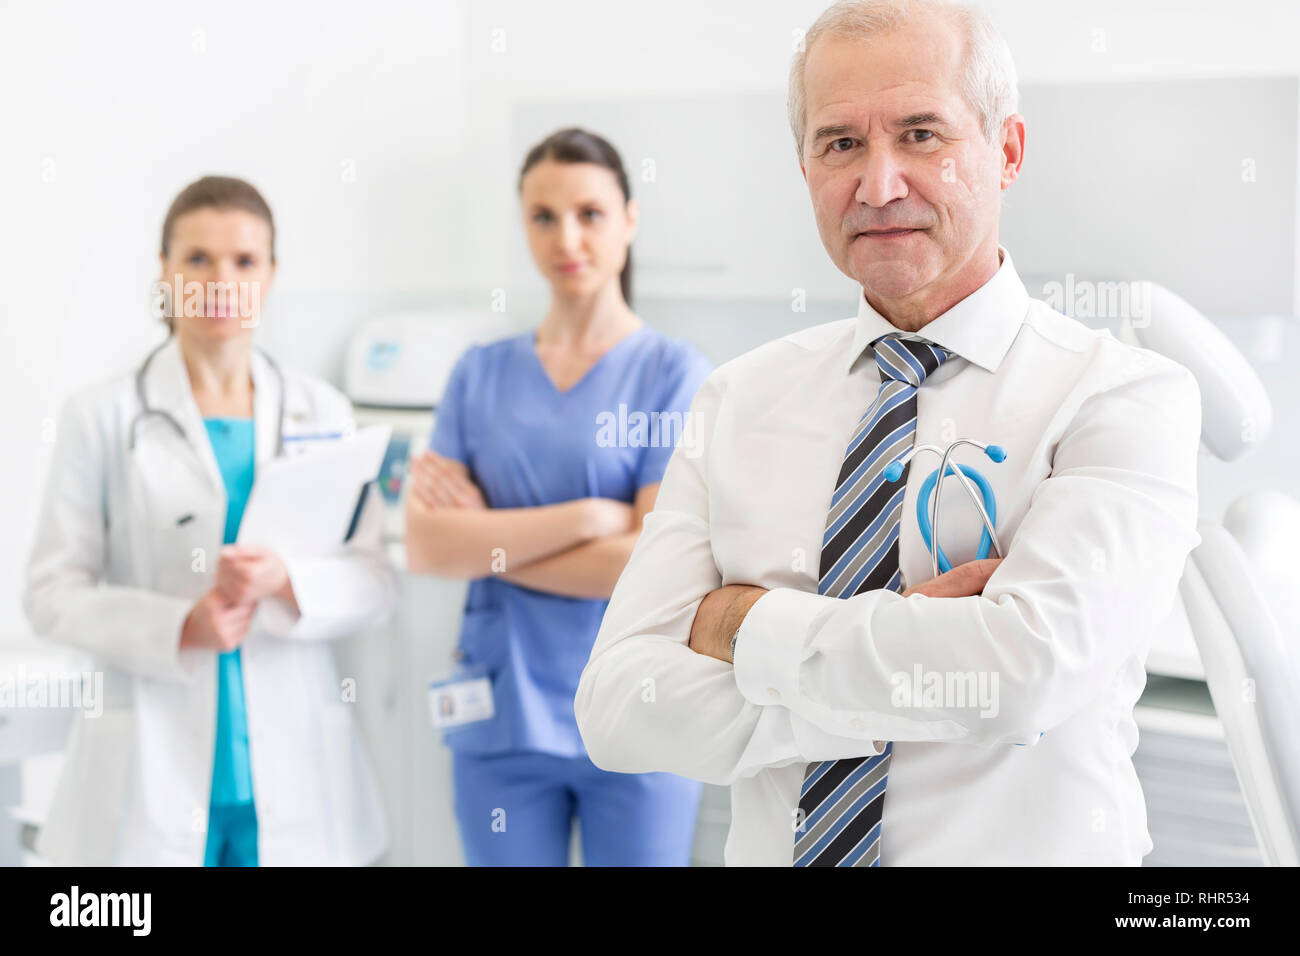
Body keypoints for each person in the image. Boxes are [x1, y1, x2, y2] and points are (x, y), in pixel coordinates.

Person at [576, 0, 1202, 866]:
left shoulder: (1121, 399)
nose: (878, 185)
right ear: (804, 166)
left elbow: (1021, 679)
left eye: (921, 134)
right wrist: (910, 656)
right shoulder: (738, 400)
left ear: (1007, 150)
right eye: (841, 143)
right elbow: (618, 706)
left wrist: (742, 625)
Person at [24, 175, 395, 866]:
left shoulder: (324, 412)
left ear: (272, 274)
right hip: (147, 771)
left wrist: (292, 582)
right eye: (197, 259)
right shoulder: (101, 416)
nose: (220, 280)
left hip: (293, 775)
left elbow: (375, 581)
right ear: (164, 272)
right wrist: (177, 626)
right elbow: (49, 594)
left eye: (244, 261)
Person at [405, 128, 712, 866]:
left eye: (589, 213)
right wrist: (584, 519)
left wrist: (486, 545)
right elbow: (425, 544)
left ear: (629, 222)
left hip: (640, 712)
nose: (566, 236)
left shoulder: (673, 374)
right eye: (543, 216)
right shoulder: (478, 374)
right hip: (500, 715)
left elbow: (644, 561)